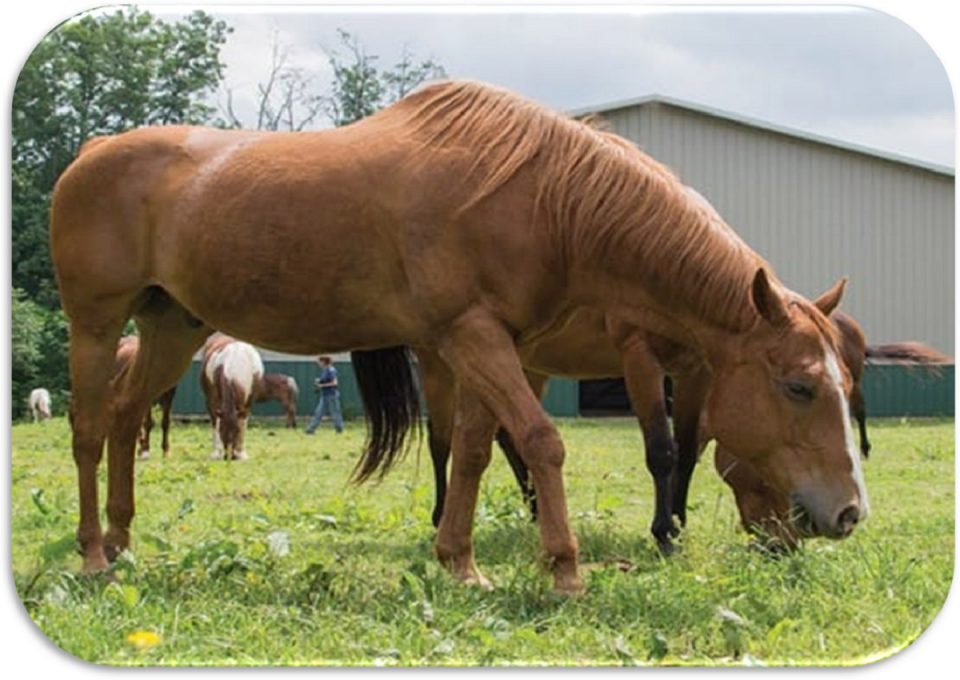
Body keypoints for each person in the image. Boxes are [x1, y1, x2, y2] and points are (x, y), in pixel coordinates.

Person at [305, 355, 344, 434]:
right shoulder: (325, 370)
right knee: (318, 412)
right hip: (325, 395)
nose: (319, 363)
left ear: (324, 362)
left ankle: (339, 429)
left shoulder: (331, 370)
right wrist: (319, 381)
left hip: (331, 395)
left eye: (320, 362)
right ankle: (310, 429)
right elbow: (326, 380)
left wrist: (322, 385)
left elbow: (335, 383)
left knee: (335, 412)